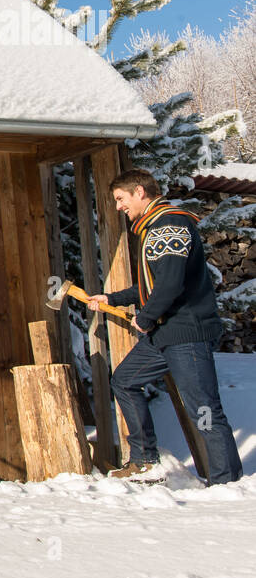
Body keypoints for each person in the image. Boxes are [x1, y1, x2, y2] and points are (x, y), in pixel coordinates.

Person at [86, 169, 242, 485]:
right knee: (125, 380)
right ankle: (144, 460)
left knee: (204, 410)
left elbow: (170, 285)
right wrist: (112, 297)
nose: (118, 207)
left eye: (121, 199)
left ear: (140, 192)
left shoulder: (168, 224)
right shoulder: (155, 227)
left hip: (187, 334)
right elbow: (152, 285)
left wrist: (144, 319)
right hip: (167, 333)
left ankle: (227, 481)